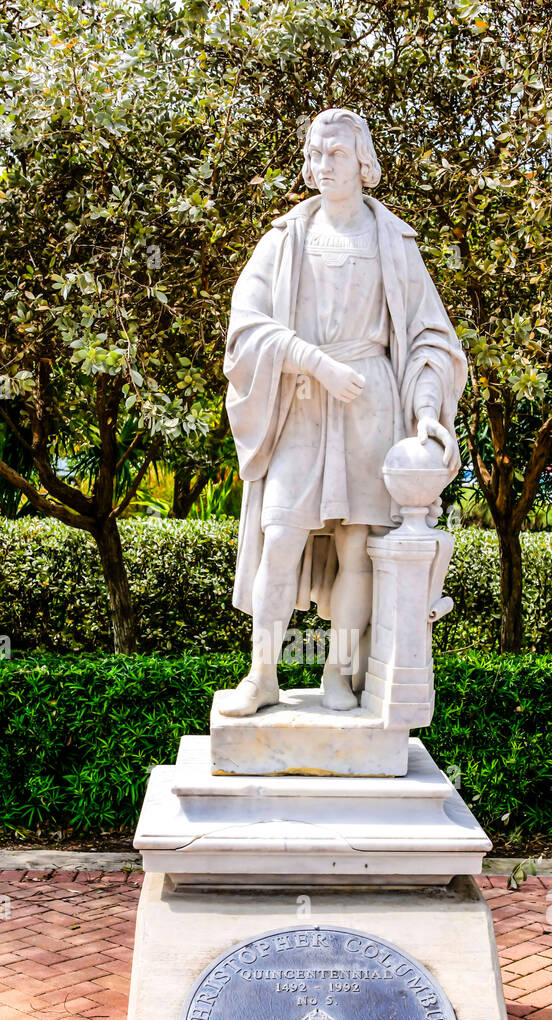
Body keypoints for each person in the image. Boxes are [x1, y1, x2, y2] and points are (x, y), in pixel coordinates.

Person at [220, 108, 466, 717]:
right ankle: (262, 674)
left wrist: (428, 408)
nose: (323, 163)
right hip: (303, 401)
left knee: (358, 544)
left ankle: (341, 669)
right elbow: (247, 329)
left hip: (371, 404)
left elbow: (429, 337)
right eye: (316, 152)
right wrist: (312, 361)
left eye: (336, 153)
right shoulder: (284, 239)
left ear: (362, 162)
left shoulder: (394, 241)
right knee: (280, 536)